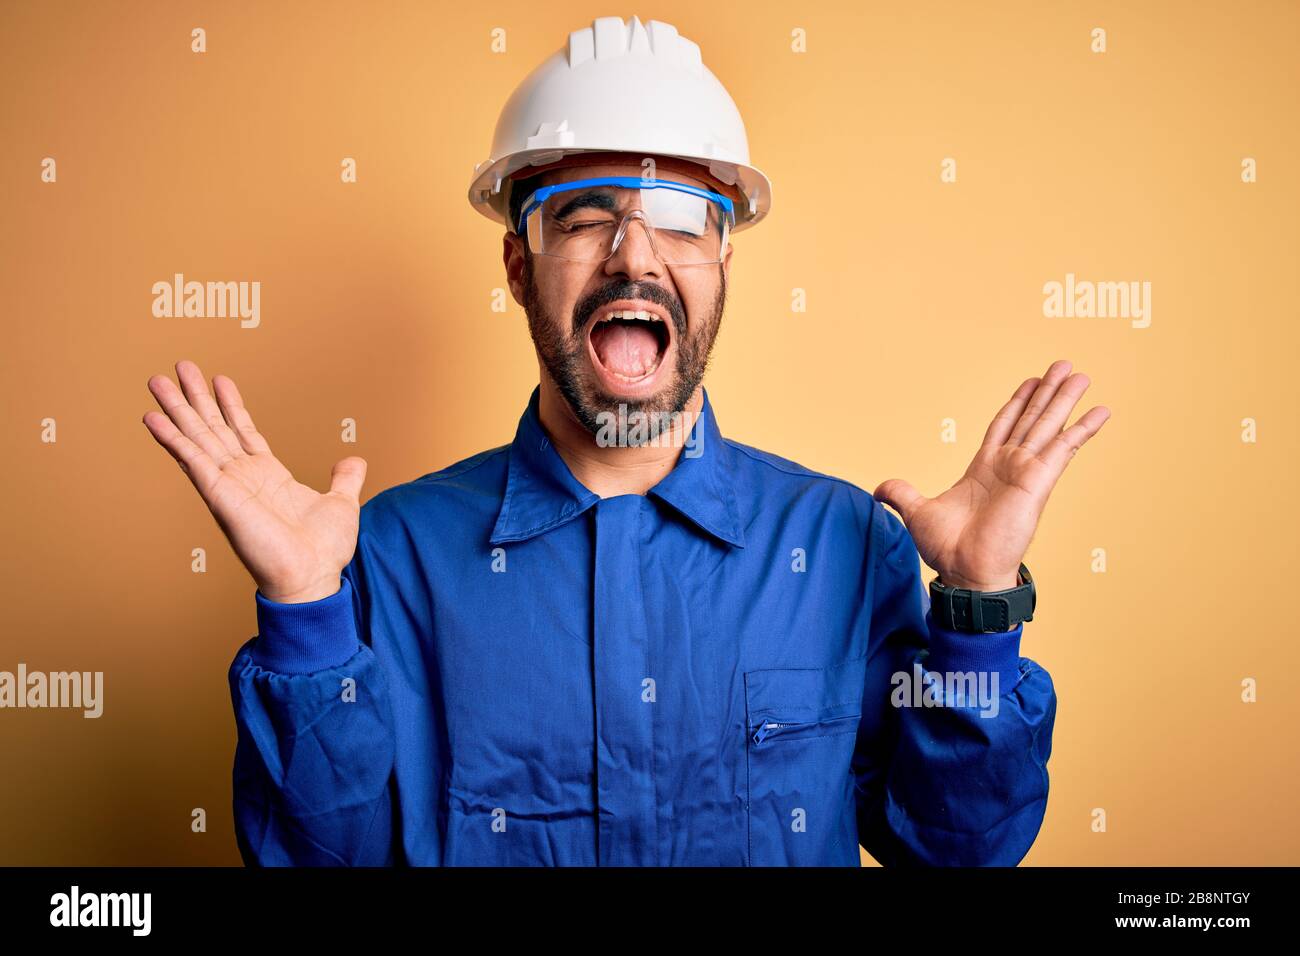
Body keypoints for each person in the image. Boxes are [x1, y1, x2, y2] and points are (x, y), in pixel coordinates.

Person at [141, 16, 1109, 866]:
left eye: (684, 221)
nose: (634, 253)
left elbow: (954, 847)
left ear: (722, 265)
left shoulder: (844, 542)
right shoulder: (389, 554)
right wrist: (306, 612)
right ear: (520, 267)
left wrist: (977, 606)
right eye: (585, 216)